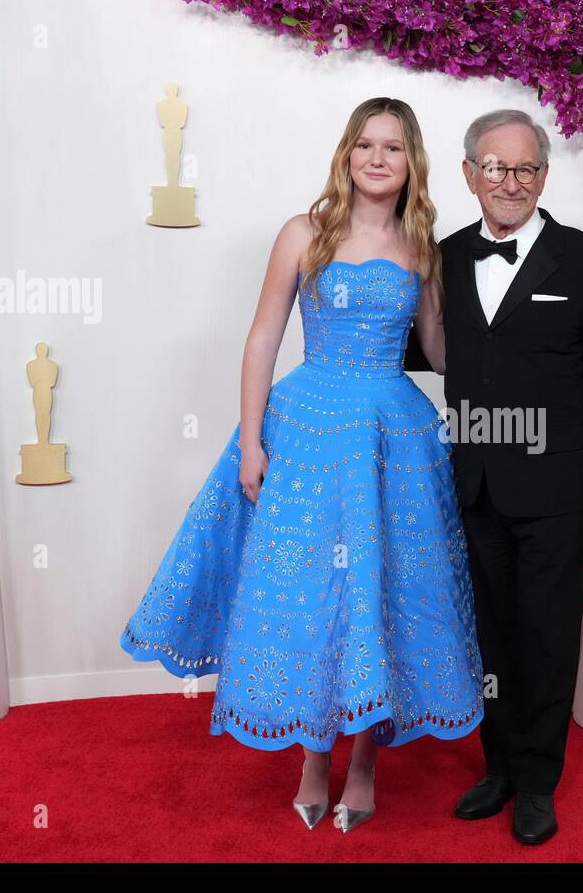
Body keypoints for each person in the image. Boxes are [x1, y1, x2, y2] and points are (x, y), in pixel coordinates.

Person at [121, 97, 484, 834]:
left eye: (393, 147)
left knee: (377, 594)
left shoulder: (423, 246)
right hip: (307, 430)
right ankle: (313, 754)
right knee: (309, 591)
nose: (377, 159)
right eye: (364, 145)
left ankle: (363, 763)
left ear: (413, 161)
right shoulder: (304, 231)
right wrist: (252, 440)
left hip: (391, 433)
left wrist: (520, 361)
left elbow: (442, 351)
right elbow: (261, 340)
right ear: (346, 155)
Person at [403, 109, 583, 844]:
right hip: (472, 482)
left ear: (544, 176)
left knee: (545, 637)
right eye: (495, 167)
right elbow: (418, 355)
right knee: (489, 638)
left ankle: (538, 781)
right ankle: (499, 767)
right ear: (470, 174)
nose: (510, 182)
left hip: (556, 494)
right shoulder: (441, 259)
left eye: (525, 169)